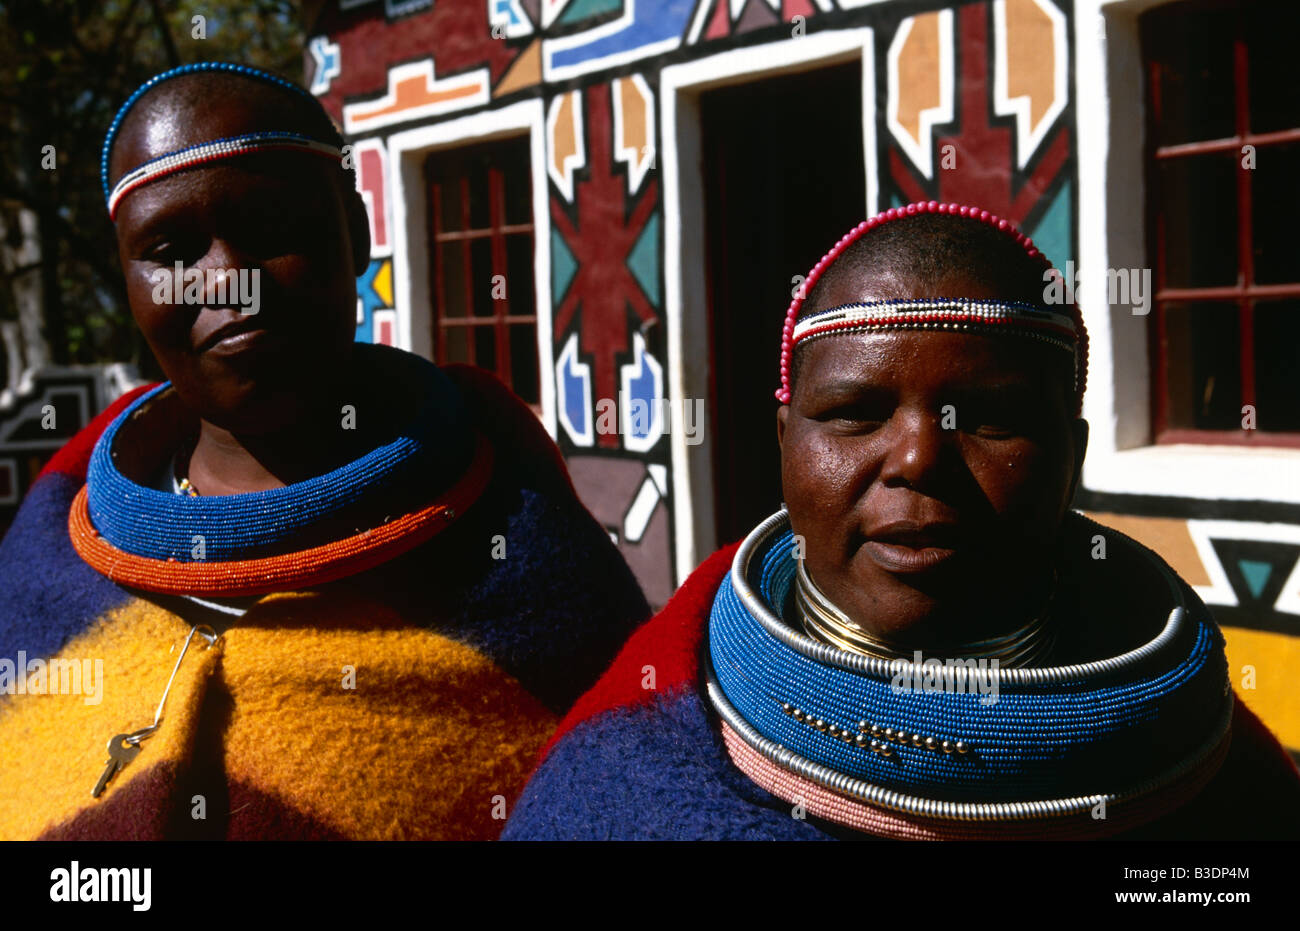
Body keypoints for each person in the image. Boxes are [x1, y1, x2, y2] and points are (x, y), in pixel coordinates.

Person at [504, 202, 1300, 840]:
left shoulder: (1206, 761)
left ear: (1074, 455)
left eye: (989, 417)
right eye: (854, 412)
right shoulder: (622, 777)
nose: (919, 458)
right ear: (785, 444)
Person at [0, 62, 649, 840]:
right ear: (128, 281)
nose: (228, 283)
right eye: (171, 250)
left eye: (271, 225)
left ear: (358, 225)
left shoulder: (519, 547)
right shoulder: (47, 559)